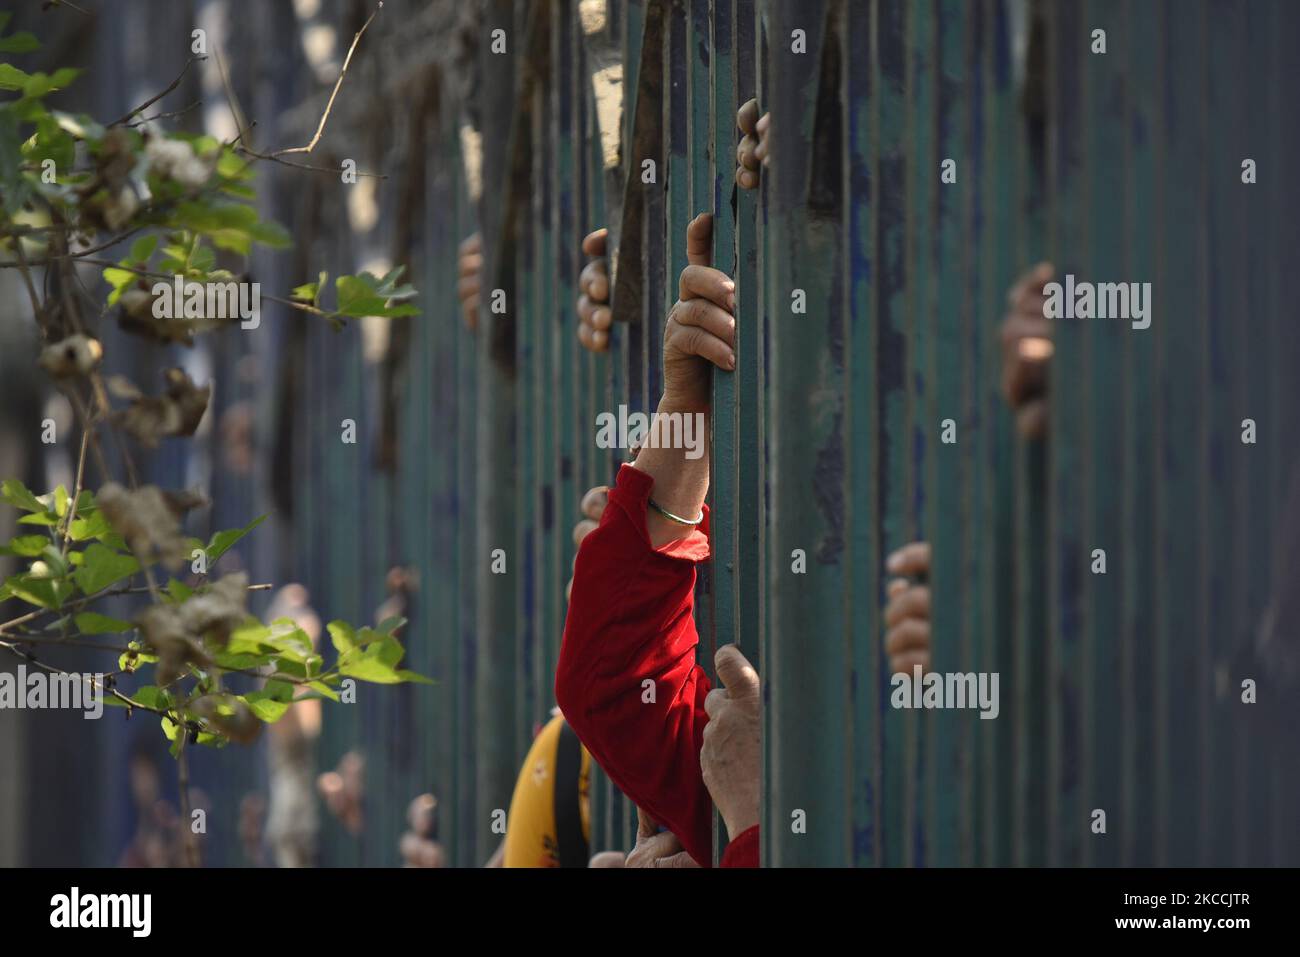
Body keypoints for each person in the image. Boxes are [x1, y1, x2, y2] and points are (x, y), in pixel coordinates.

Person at [557, 211, 758, 867]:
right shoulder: (740, 762)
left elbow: (607, 682)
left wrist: (687, 410)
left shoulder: (734, 761)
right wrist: (756, 818)